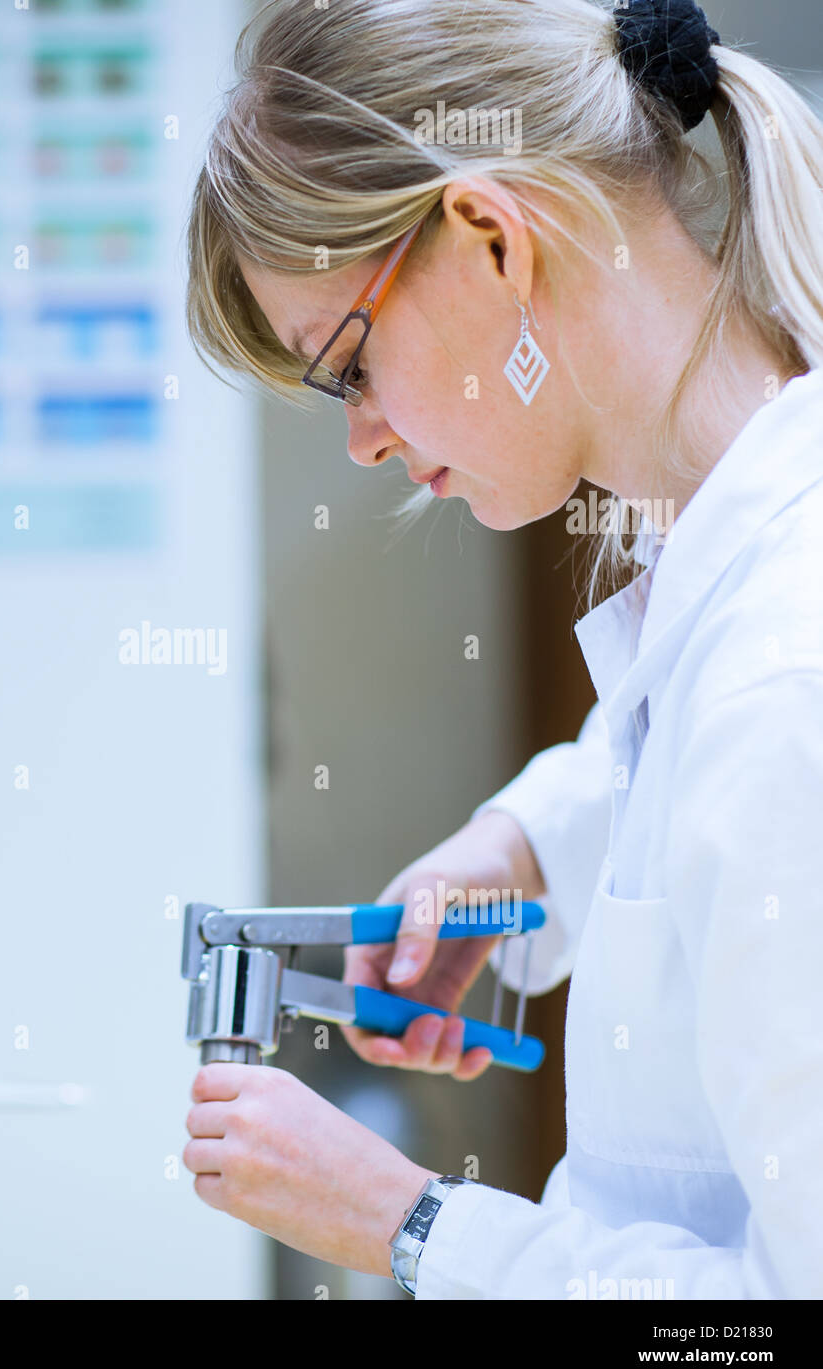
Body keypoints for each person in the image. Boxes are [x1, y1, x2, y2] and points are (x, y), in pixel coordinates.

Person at [180, 0, 823, 1298]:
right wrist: (519, 847)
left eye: (347, 364)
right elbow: (673, 772)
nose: (359, 441)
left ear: (488, 239)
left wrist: (408, 1222)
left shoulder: (784, 673)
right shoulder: (723, 572)